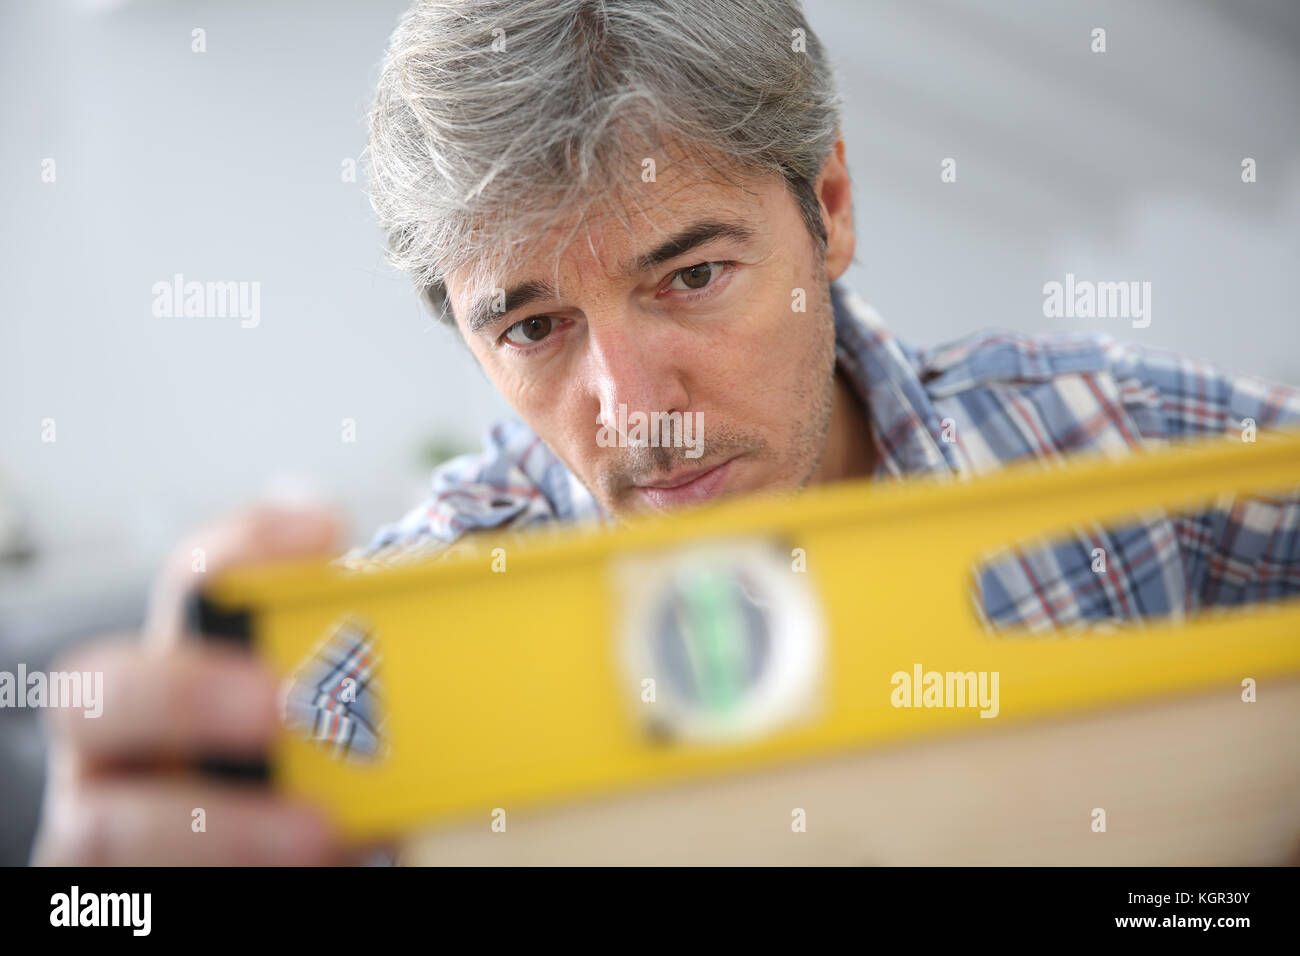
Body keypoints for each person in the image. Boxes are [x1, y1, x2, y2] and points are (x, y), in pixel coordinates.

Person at [31, 0, 1300, 865]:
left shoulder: (1139, 453)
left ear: (830, 207)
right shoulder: (367, 691)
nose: (635, 407)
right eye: (535, 326)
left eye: (691, 276)